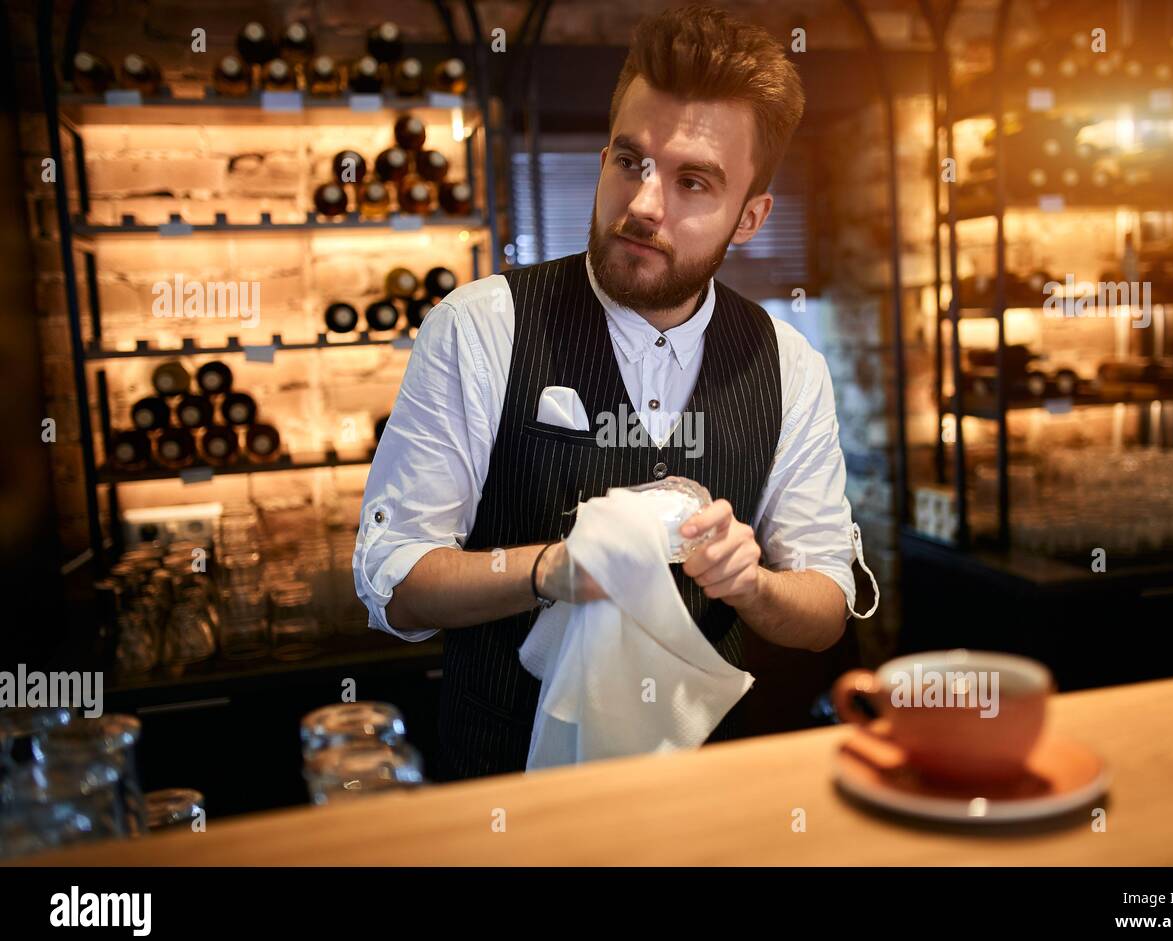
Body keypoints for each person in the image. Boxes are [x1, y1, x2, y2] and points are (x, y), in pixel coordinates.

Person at [354, 4, 865, 781]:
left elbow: (825, 610)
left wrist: (751, 585)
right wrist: (543, 571)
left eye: (693, 181)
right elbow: (393, 580)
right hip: (507, 789)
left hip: (699, 790)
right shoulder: (481, 327)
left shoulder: (788, 366)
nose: (645, 205)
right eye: (631, 162)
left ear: (751, 216)